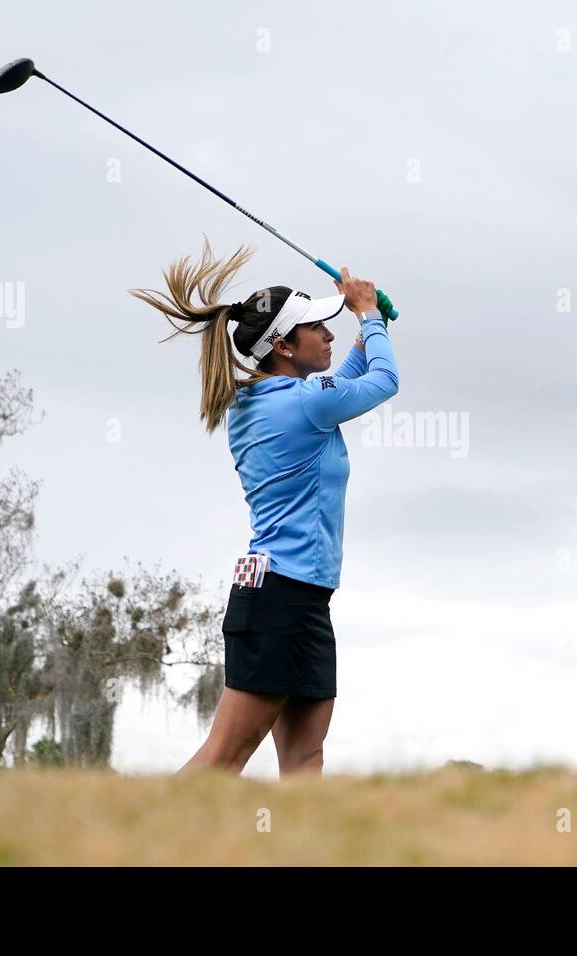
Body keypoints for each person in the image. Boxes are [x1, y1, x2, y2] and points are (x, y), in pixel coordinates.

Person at [129, 236, 399, 776]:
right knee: (225, 756)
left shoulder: (267, 400)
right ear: (283, 347)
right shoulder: (305, 400)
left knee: (304, 756)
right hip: (279, 598)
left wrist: (377, 328)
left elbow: (343, 380)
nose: (329, 334)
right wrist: (367, 315)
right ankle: (132, 840)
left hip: (296, 597)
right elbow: (383, 381)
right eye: (317, 328)